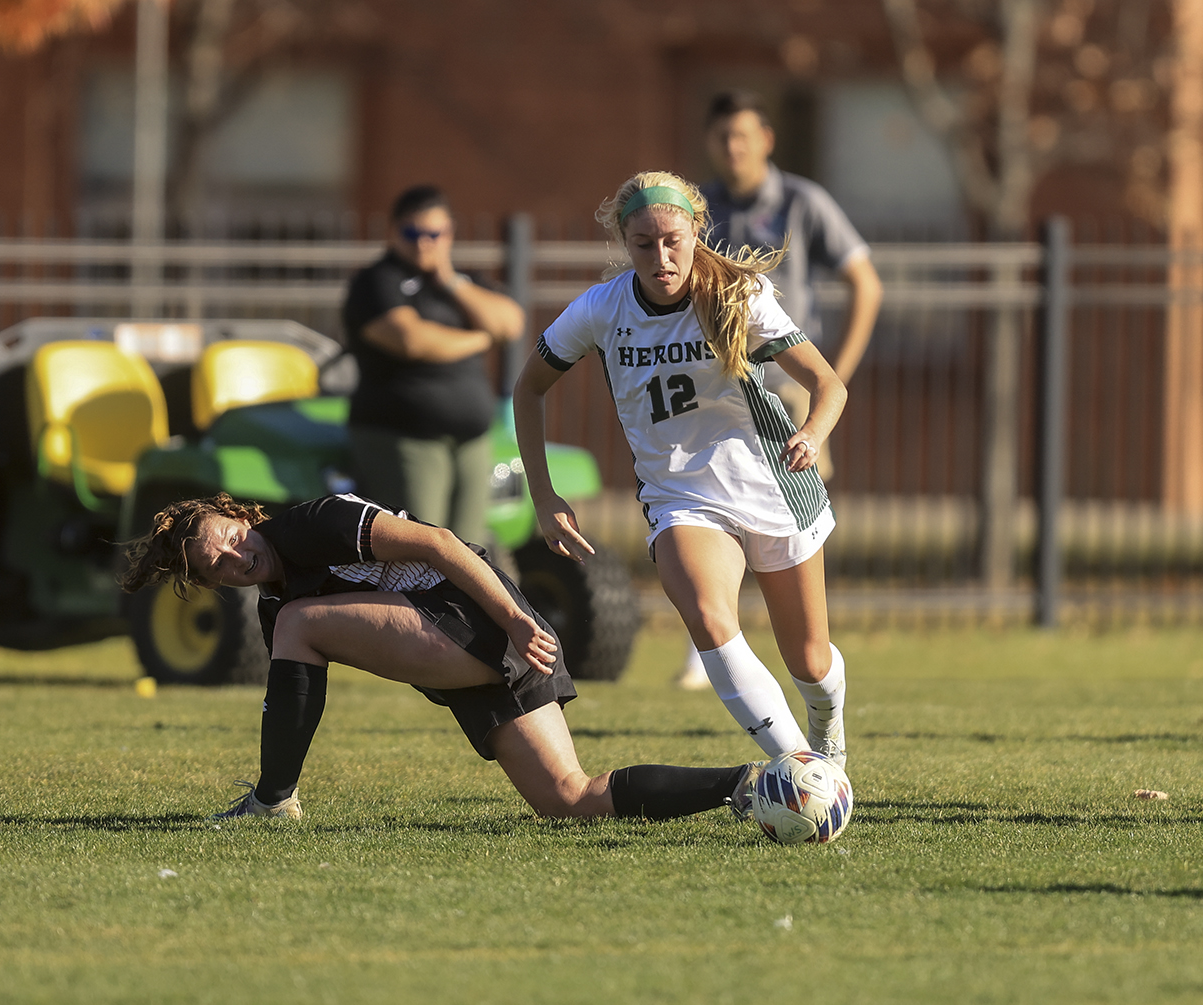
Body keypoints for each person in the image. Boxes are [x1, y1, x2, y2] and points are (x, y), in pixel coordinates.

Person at [118, 492, 760, 822]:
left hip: (486, 621)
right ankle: (747, 784)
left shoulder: (315, 523)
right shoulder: (273, 606)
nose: (236, 559)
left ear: (241, 516)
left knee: (298, 621)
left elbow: (443, 544)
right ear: (210, 586)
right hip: (470, 642)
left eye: (231, 540)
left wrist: (514, 621)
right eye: (217, 568)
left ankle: (272, 801)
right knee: (569, 801)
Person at [514, 170, 850, 766]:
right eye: (644, 244)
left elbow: (828, 385)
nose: (661, 256)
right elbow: (528, 389)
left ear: (697, 230)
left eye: (673, 239)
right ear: (624, 241)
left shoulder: (735, 296)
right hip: (681, 495)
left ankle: (827, 734)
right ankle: (802, 769)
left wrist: (813, 432)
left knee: (811, 661)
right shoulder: (601, 308)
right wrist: (544, 496)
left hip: (774, 483)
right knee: (707, 615)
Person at [673, 89, 883, 690]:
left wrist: (829, 376)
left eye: (743, 136)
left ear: (766, 139)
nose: (732, 147)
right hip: (715, 384)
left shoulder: (801, 201)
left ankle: (805, 639)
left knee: (793, 514)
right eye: (721, 138)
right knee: (710, 503)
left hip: (784, 385)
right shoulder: (698, 206)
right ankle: (713, 642)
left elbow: (865, 283)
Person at [343, 185, 523, 546]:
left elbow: (511, 322)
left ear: (450, 233)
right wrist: (481, 338)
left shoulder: (462, 282)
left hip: (471, 439)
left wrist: (451, 282)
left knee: (471, 552)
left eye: (434, 234)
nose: (423, 243)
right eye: (412, 233)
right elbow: (412, 341)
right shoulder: (377, 281)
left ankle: (458, 607)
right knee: (420, 547)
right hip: (406, 438)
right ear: (392, 231)